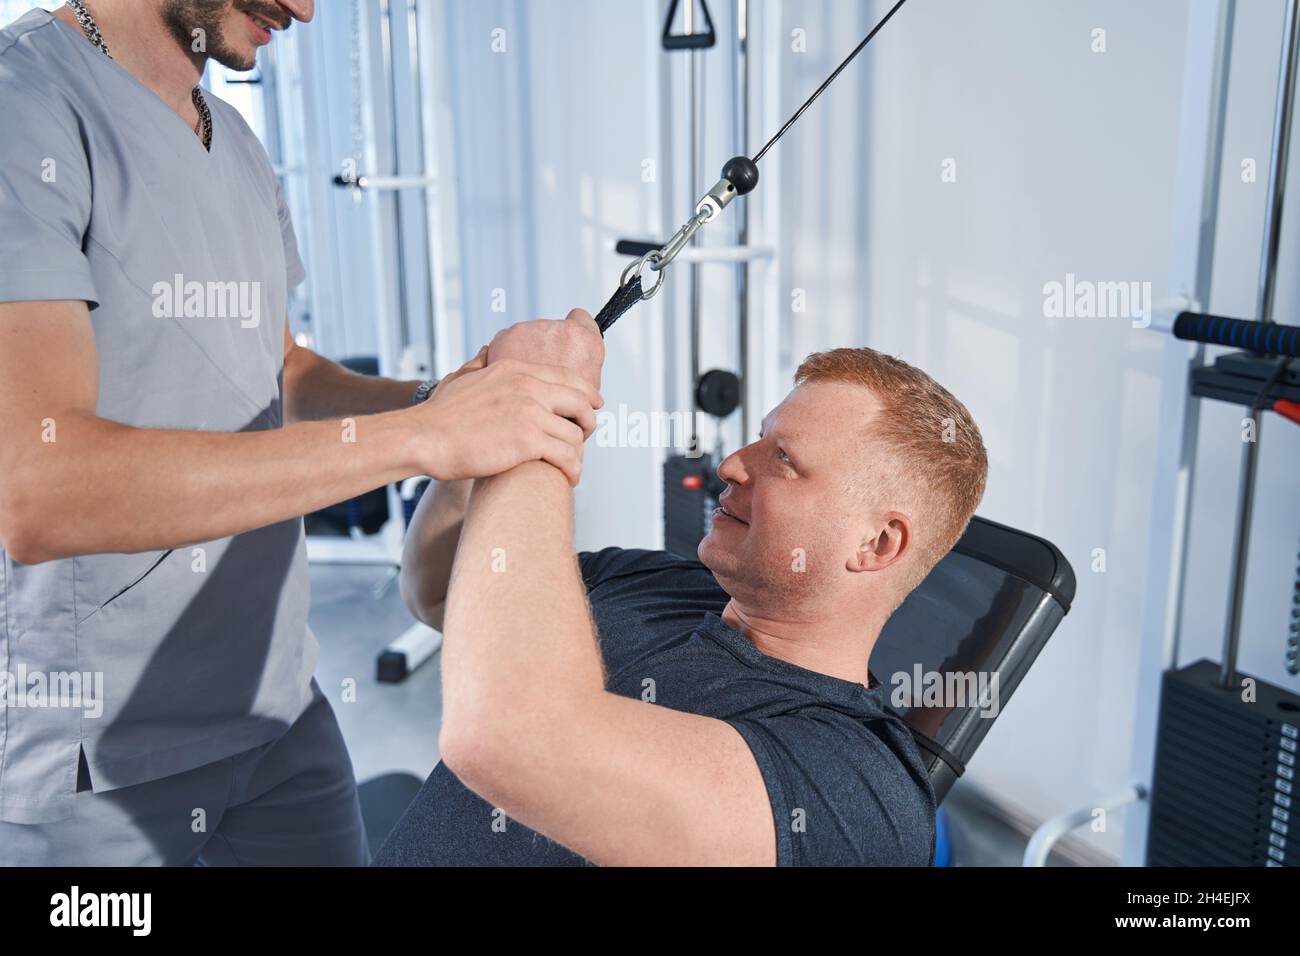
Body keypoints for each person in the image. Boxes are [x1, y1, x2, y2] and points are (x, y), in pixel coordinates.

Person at [0, 1, 599, 865]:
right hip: (101, 764)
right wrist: (428, 437)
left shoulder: (233, 140)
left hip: (277, 710)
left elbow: (284, 377)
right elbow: (41, 489)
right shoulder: (27, 107)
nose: (309, 8)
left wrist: (449, 398)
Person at [379, 310, 988, 866]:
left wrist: (532, 425)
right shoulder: (652, 581)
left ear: (878, 544)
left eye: (782, 458)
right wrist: (481, 424)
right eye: (757, 437)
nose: (731, 465)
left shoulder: (856, 788)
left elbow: (505, 738)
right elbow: (435, 589)